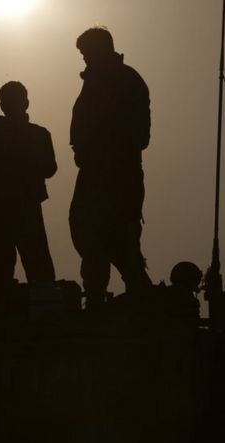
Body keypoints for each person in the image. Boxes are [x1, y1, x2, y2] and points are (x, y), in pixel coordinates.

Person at [69, 27, 152, 309]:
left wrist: (103, 147)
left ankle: (141, 302)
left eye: (86, 53)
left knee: (121, 242)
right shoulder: (98, 81)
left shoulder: (125, 81)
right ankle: (96, 299)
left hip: (118, 177)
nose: (84, 59)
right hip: (95, 175)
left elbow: (141, 135)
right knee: (91, 238)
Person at [0, 81, 57, 293]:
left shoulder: (37, 134)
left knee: (38, 270)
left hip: (23, 209)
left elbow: (49, 168)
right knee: (2, 273)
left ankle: (45, 315)